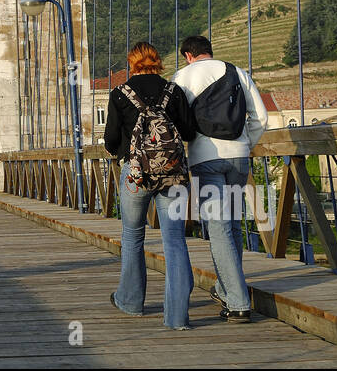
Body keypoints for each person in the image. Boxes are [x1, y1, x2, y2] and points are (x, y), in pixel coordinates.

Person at [171, 35, 268, 323]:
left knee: (218, 228)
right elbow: (261, 117)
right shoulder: (237, 72)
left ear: (188, 55)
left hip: (205, 159)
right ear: (209, 51)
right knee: (233, 225)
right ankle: (226, 289)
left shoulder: (182, 77)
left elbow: (175, 123)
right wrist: (244, 145)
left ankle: (238, 303)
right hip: (238, 159)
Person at [103, 41, 199, 328]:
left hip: (135, 175)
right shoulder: (173, 91)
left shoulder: (120, 93)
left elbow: (110, 139)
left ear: (132, 63)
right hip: (171, 175)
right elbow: (188, 132)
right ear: (157, 61)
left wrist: (122, 152)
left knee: (133, 236)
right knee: (174, 240)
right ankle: (177, 317)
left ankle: (131, 302)